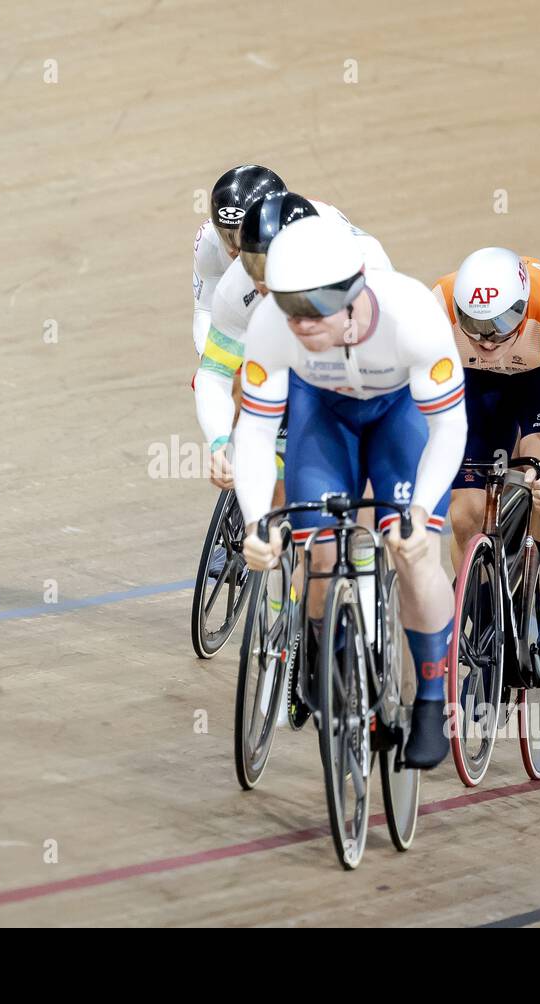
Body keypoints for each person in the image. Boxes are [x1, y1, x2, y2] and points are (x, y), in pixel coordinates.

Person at [233, 215, 467, 769]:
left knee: (414, 556)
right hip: (325, 416)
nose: (299, 324)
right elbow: (257, 431)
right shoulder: (271, 324)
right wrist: (254, 522)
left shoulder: (412, 317)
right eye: (290, 308)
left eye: (313, 309)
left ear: (352, 296)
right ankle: (322, 640)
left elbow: (449, 428)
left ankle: (432, 699)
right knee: (320, 546)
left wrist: (417, 511)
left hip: (398, 418)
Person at [433, 248, 540, 653]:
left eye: (502, 323)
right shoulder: (436, 306)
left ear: (524, 307)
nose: (488, 339)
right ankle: (486, 609)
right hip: (476, 386)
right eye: (475, 324)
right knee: (466, 512)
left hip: (538, 382)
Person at [194, 191, 392, 489]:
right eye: (253, 266)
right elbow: (213, 373)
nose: (261, 282)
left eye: (271, 267)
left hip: (351, 355)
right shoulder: (236, 287)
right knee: (281, 484)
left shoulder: (364, 268)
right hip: (288, 357)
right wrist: (219, 442)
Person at [191, 165, 285, 355]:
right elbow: (205, 310)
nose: (233, 249)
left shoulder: (304, 235)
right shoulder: (209, 241)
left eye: (242, 236)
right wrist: (209, 361)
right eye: (226, 235)